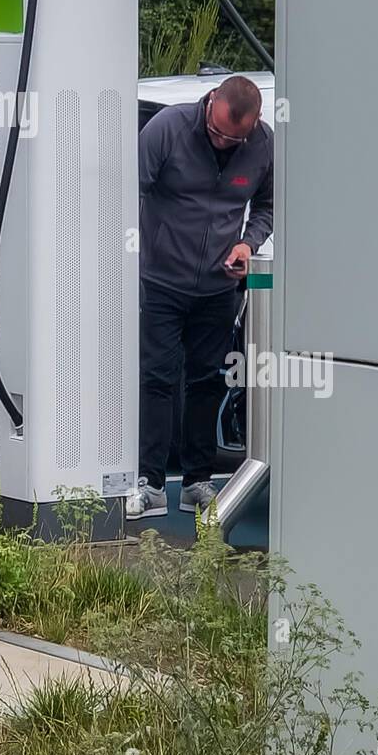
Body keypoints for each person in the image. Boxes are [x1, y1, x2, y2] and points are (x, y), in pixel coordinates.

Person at [127, 75, 273, 519]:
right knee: (157, 377)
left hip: (218, 286)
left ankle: (197, 481)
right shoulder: (167, 129)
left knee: (208, 380)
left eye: (236, 139)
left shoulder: (262, 144)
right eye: (219, 133)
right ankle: (150, 483)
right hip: (162, 281)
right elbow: (127, 190)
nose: (226, 143)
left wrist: (249, 243)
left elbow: (267, 205)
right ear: (210, 104)